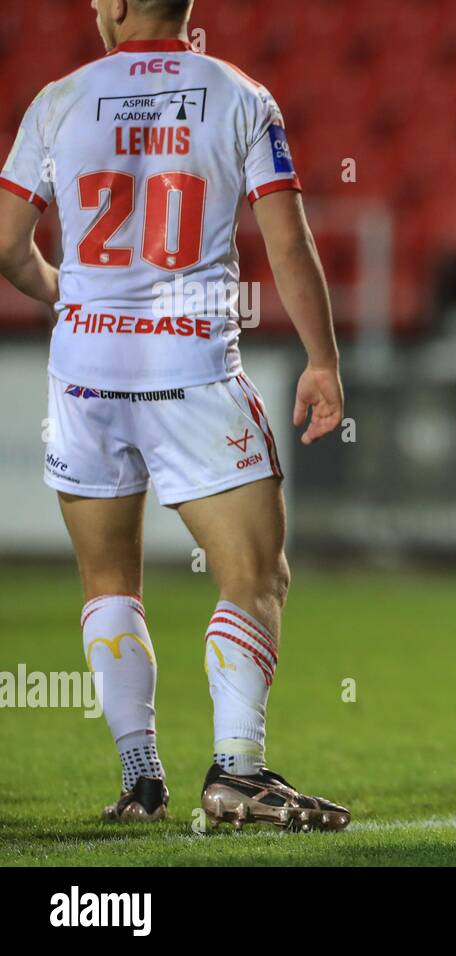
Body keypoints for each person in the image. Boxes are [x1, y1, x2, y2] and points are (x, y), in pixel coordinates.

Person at [0, 0, 349, 829]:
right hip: (191, 369)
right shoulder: (238, 95)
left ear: (117, 7)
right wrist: (324, 359)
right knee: (255, 577)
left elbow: (8, 244)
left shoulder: (57, 99)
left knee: (109, 582)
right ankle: (236, 772)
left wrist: (68, 295)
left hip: (85, 374)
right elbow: (289, 244)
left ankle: (141, 779)